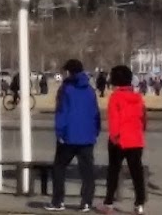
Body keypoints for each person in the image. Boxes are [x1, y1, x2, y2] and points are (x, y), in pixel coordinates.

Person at [48, 58, 100, 212]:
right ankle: (86, 202)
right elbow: (95, 112)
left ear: (69, 72)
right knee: (87, 171)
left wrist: (59, 132)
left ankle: (58, 201)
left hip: (69, 136)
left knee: (59, 167)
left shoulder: (66, 89)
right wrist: (95, 131)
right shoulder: (90, 90)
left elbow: (62, 112)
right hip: (87, 136)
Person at [101, 64, 147, 215]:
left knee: (113, 172)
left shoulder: (116, 97)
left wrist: (114, 137)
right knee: (136, 172)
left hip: (119, 139)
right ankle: (139, 203)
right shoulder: (138, 97)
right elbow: (143, 118)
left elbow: (114, 119)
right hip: (136, 139)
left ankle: (109, 203)